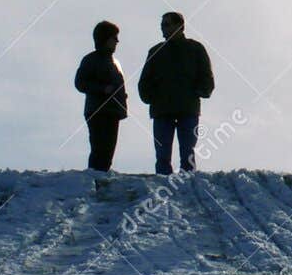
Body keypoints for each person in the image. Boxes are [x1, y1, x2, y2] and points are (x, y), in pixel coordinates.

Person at [138, 11, 215, 175]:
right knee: (162, 155)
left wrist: (200, 91)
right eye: (162, 25)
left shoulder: (195, 49)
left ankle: (188, 184)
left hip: (188, 109)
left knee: (188, 152)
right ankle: (163, 184)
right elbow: (144, 80)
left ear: (179, 26)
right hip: (162, 110)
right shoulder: (156, 51)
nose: (163, 29)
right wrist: (150, 98)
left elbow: (207, 76)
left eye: (166, 25)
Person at [74, 20, 128, 171]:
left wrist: (121, 97)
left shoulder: (115, 62)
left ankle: (102, 180)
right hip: (98, 111)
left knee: (108, 152)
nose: (117, 41)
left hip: (113, 112)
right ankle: (95, 181)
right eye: (114, 37)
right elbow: (80, 83)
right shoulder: (91, 59)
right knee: (100, 150)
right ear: (104, 38)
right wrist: (102, 89)